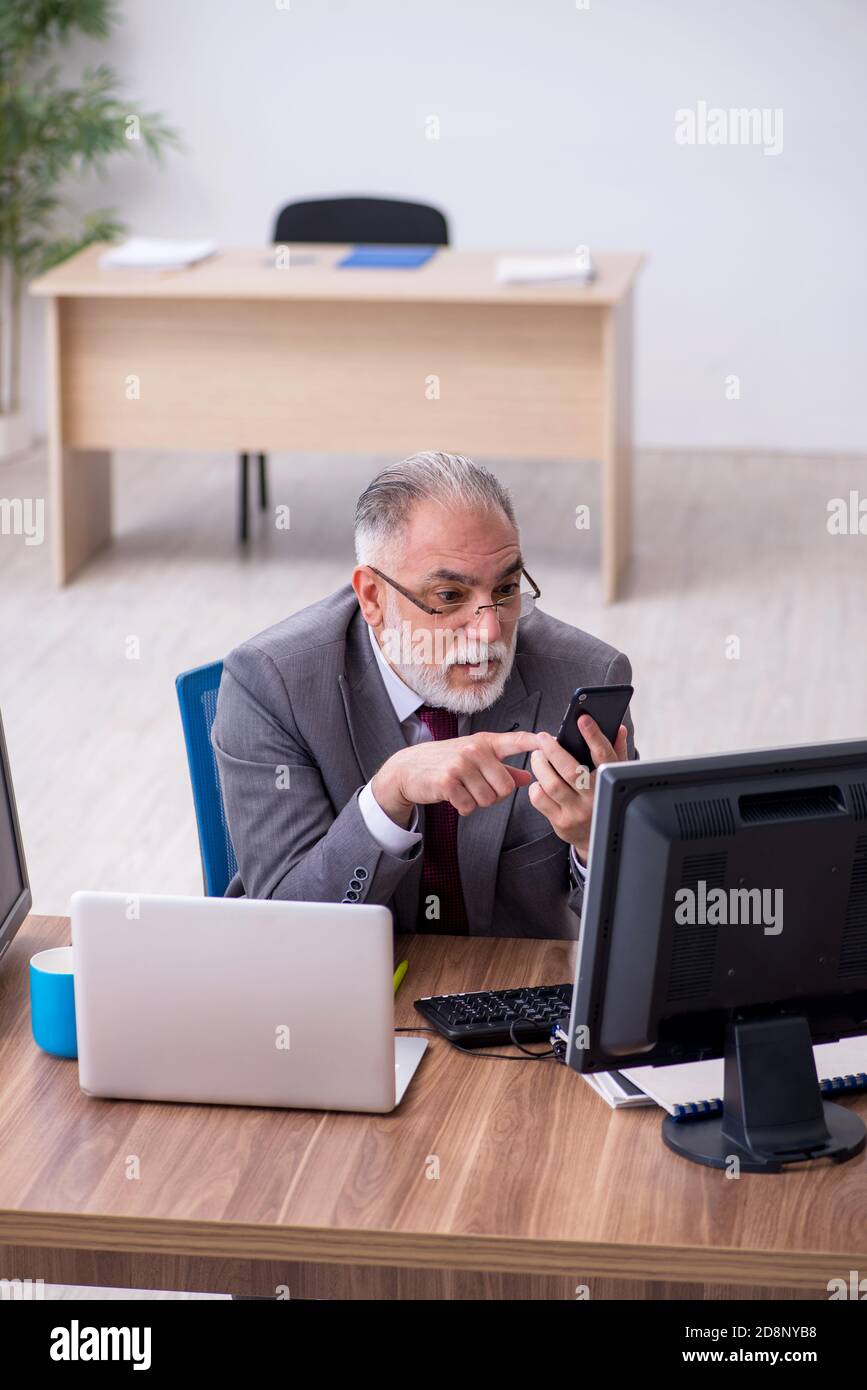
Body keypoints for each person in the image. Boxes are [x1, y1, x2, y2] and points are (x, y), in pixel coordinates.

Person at [212, 451, 637, 938]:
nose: (490, 628)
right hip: (346, 995)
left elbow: (636, 926)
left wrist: (593, 844)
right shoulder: (271, 685)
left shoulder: (588, 675)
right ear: (372, 597)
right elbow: (285, 931)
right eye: (450, 597)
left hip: (517, 996)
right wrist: (387, 793)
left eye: (506, 587)